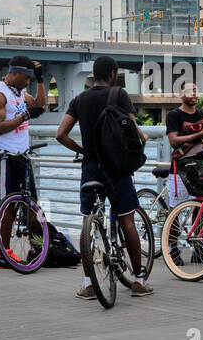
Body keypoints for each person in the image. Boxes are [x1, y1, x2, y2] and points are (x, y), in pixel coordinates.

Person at [55, 56, 152, 299]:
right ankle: (139, 281)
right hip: (117, 169)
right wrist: (143, 137)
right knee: (127, 221)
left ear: (93, 75)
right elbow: (132, 128)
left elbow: (61, 134)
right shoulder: (119, 94)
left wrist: (83, 150)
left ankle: (89, 285)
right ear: (112, 73)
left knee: (88, 222)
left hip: (91, 168)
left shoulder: (79, 100)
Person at [0, 55, 45, 269]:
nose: (28, 82)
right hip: (5, 154)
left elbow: (40, 106)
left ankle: (35, 247)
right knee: (8, 206)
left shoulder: (20, 92)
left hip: (22, 154)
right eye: (28, 77)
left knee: (32, 204)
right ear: (16, 73)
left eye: (32, 78)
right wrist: (25, 116)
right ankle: (3, 253)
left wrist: (40, 80)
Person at [164, 82, 203, 204]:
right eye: (189, 91)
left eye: (195, 90)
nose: (193, 93)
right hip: (181, 169)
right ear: (181, 95)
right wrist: (200, 134)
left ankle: (196, 225)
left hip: (202, 168)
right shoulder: (173, 115)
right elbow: (173, 141)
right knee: (175, 211)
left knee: (201, 209)